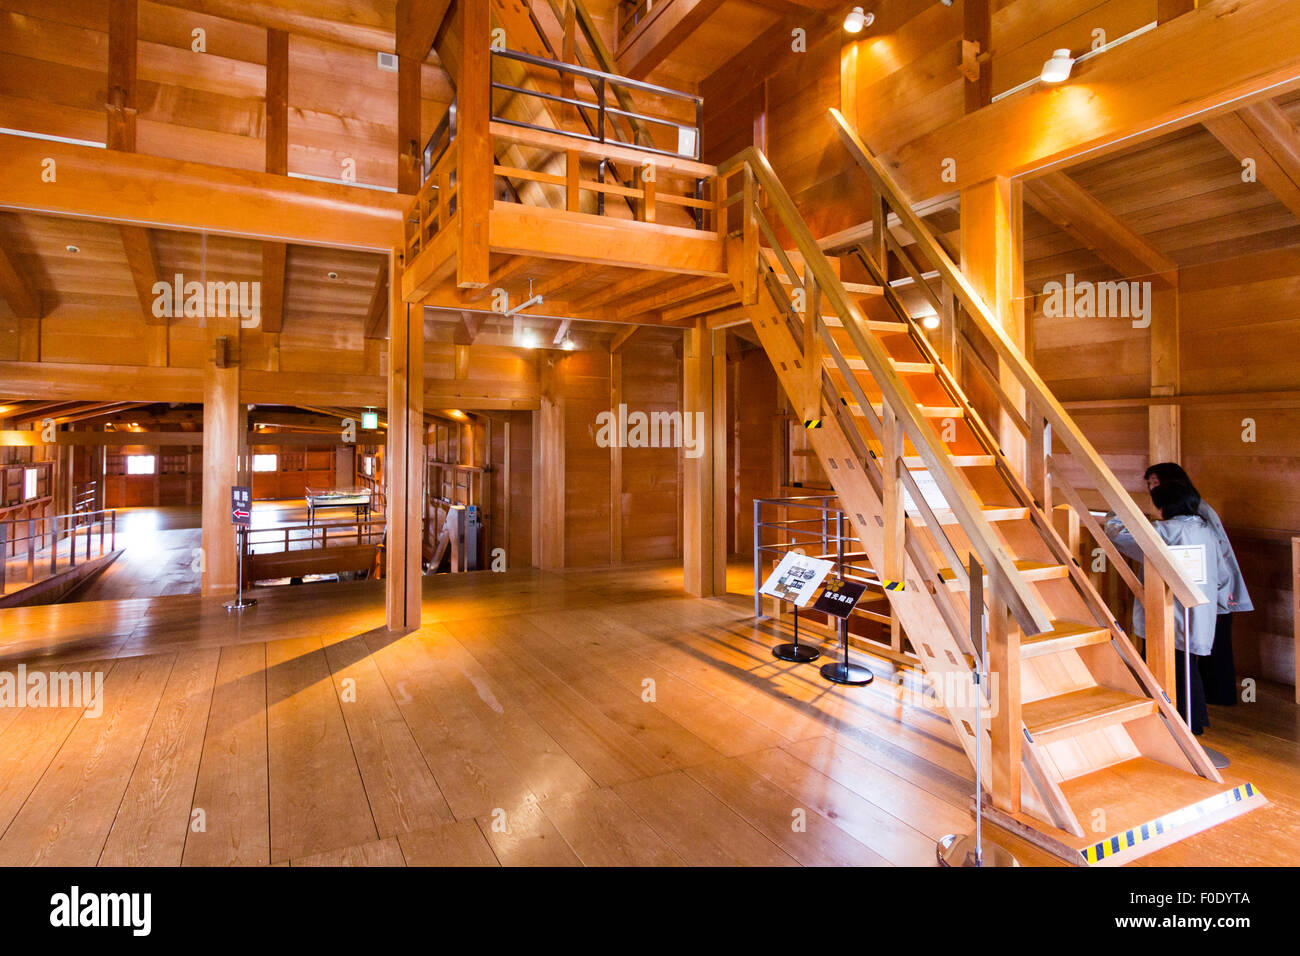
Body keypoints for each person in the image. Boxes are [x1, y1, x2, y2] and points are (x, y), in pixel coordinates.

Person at [1105, 480, 1228, 734]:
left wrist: (1115, 513)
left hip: (1169, 611)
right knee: (1187, 666)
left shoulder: (1167, 530)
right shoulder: (1205, 529)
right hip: (1199, 609)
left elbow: (1121, 537)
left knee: (1167, 666)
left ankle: (1176, 723)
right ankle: (1193, 722)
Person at [1145, 463, 1252, 707]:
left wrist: (1223, 591)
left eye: (1155, 482)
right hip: (1206, 586)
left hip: (1215, 586)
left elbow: (1221, 550)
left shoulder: (1196, 510)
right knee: (1200, 650)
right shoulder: (1183, 510)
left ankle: (1215, 699)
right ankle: (1207, 700)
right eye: (1149, 482)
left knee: (1212, 647)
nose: (1151, 487)